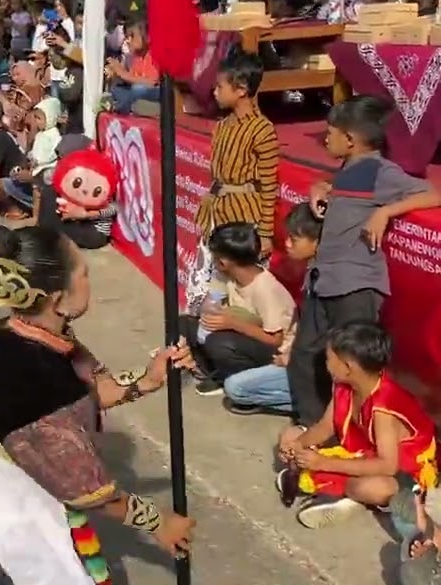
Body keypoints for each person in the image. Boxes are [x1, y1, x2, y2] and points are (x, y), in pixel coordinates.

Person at [0, 224, 196, 585]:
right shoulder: (33, 380)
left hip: (27, 494)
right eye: (84, 271)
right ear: (58, 298)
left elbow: (95, 389)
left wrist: (149, 379)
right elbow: (88, 493)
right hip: (14, 517)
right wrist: (158, 523)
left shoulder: (31, 331)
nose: (89, 277)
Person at [290, 96, 441, 426]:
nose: (325, 139)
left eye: (330, 133)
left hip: (354, 285)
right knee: (305, 356)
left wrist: (386, 212)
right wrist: (320, 186)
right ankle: (313, 426)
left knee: (355, 365)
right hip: (323, 280)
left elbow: (433, 194)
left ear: (350, 139)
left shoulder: (381, 171)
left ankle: (362, 433)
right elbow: (337, 189)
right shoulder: (350, 169)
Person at [277, 321, 437, 528]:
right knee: (290, 435)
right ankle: (341, 494)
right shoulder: (344, 384)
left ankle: (350, 495)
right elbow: (326, 426)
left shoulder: (384, 406)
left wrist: (322, 463)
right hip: (365, 452)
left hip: (403, 466)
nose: (326, 365)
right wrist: (298, 445)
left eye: (328, 360)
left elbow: (388, 465)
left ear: (348, 367)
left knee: (372, 487)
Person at [188, 48, 280, 312]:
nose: (214, 92)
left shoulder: (263, 130)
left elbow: (268, 184)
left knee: (240, 289)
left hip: (243, 216)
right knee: (205, 278)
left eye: (219, 86)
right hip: (215, 211)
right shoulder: (222, 125)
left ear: (240, 89)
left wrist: (264, 232)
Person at [223, 203, 322, 416]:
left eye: (294, 239)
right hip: (296, 355)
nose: (286, 244)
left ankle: (316, 407)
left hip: (310, 366)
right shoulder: (313, 272)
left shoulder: (329, 281)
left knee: (235, 388)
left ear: (318, 242)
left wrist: (293, 357)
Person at [179, 222, 296, 396]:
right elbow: (212, 301)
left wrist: (232, 323)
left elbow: (276, 340)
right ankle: (205, 368)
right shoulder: (226, 275)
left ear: (223, 262)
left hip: (274, 352)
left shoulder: (266, 289)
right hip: (238, 332)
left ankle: (228, 378)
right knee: (183, 323)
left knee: (218, 342)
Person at [105, 19, 160, 114]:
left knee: (138, 89)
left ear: (147, 37)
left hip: (157, 94)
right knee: (115, 89)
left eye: (132, 36)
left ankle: (121, 108)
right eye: (126, 37)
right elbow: (131, 78)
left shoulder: (154, 53)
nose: (128, 41)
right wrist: (116, 73)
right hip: (136, 95)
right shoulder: (136, 57)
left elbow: (151, 82)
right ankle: (125, 106)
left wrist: (122, 73)